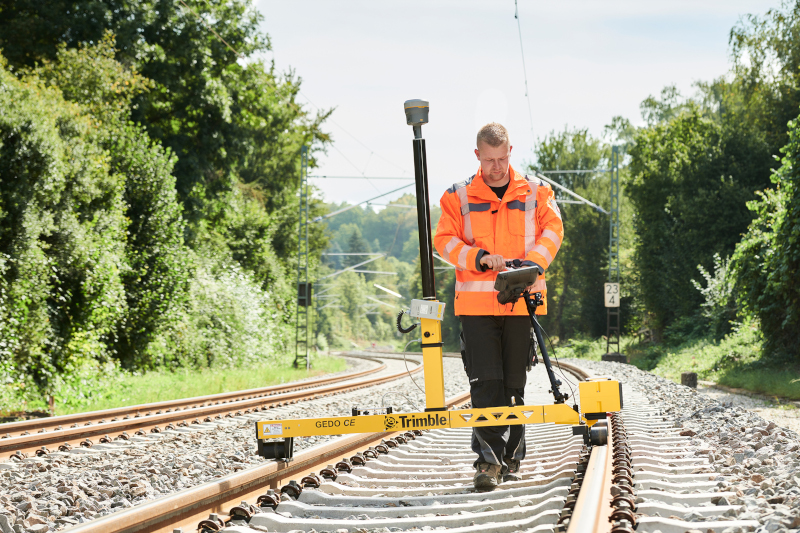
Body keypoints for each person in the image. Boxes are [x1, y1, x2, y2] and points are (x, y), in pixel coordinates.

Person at [433, 122, 564, 490]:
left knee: (513, 382)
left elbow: (554, 230)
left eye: (501, 158)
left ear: (510, 152)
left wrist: (531, 264)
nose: (496, 167)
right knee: (485, 383)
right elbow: (442, 241)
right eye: (488, 160)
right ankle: (488, 463)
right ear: (478, 156)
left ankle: (512, 456)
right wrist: (477, 258)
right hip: (475, 307)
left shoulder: (537, 191)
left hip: (521, 303)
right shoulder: (457, 196)